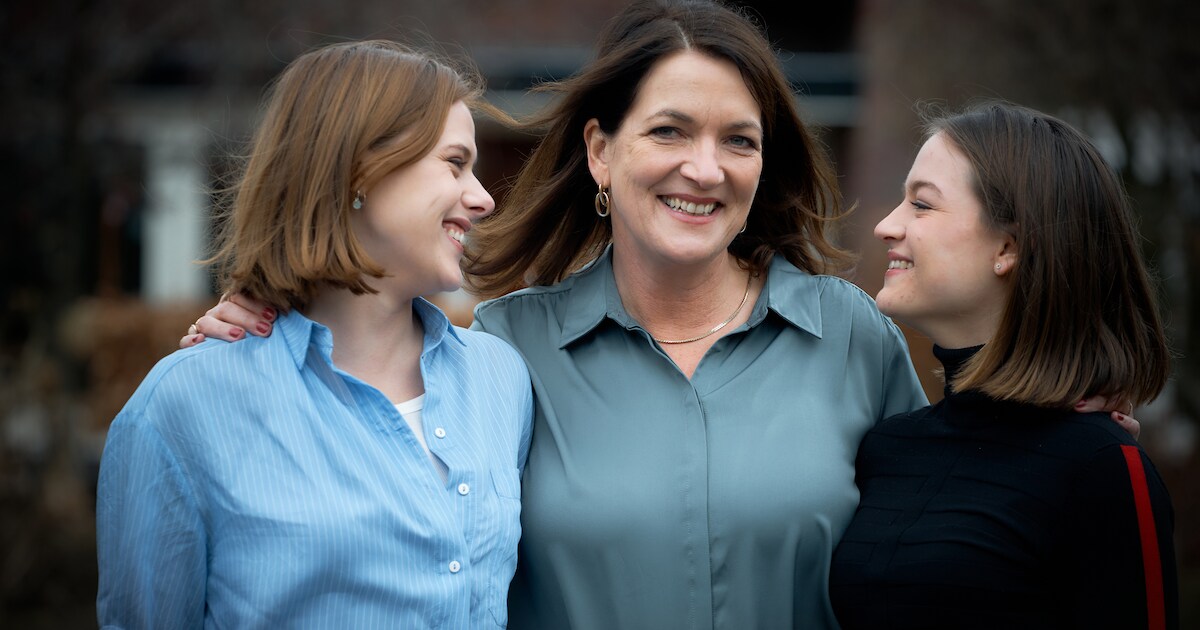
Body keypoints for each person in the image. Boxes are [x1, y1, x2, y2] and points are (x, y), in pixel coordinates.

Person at [184, 2, 1140, 627]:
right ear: (600, 153)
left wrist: (1067, 411)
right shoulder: (502, 354)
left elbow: (944, 518)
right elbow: (375, 462)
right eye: (669, 132)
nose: (705, 168)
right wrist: (267, 311)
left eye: (739, 141)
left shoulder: (853, 335)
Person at [97, 39, 533, 628]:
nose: (482, 199)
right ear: (359, 168)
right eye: (455, 163)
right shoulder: (185, 407)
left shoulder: (500, 377)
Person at [828, 102, 1178, 629]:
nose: (885, 226)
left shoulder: (1100, 468)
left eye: (921, 205)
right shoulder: (884, 447)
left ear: (1008, 246)